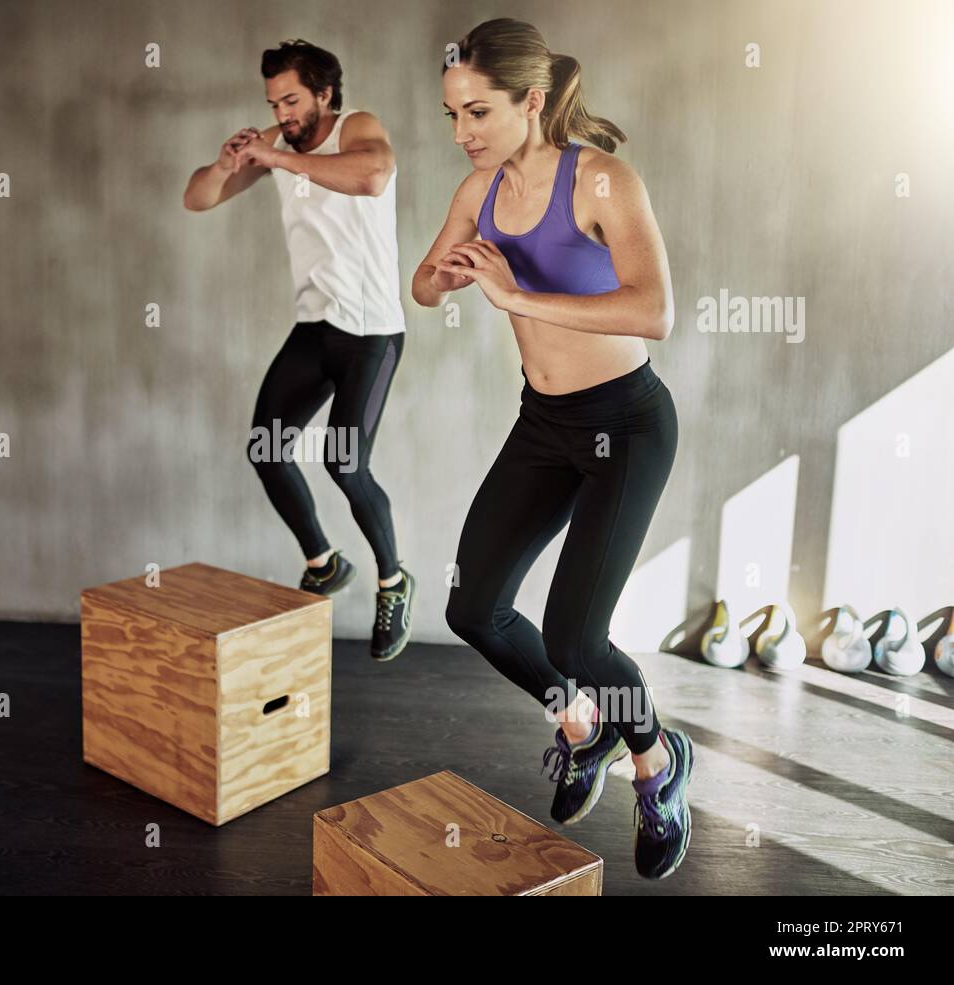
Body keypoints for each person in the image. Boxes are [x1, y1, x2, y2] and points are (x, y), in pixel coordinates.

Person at [412, 18, 693, 879]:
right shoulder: (482, 187)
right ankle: (582, 726)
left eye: (480, 113)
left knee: (578, 639)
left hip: (628, 425)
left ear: (532, 100)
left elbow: (654, 312)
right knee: (473, 609)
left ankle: (655, 761)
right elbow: (422, 286)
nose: (464, 134)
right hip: (544, 423)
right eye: (454, 114)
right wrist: (450, 276)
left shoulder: (604, 181)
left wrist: (515, 295)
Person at [183, 40, 415, 660]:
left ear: (324, 94)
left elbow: (371, 175)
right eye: (273, 102)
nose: (282, 113)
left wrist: (279, 160)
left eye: (291, 99)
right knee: (267, 446)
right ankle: (324, 561)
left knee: (345, 464)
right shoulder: (276, 142)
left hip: (370, 332)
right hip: (315, 327)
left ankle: (394, 579)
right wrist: (227, 160)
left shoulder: (355, 126)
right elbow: (197, 198)